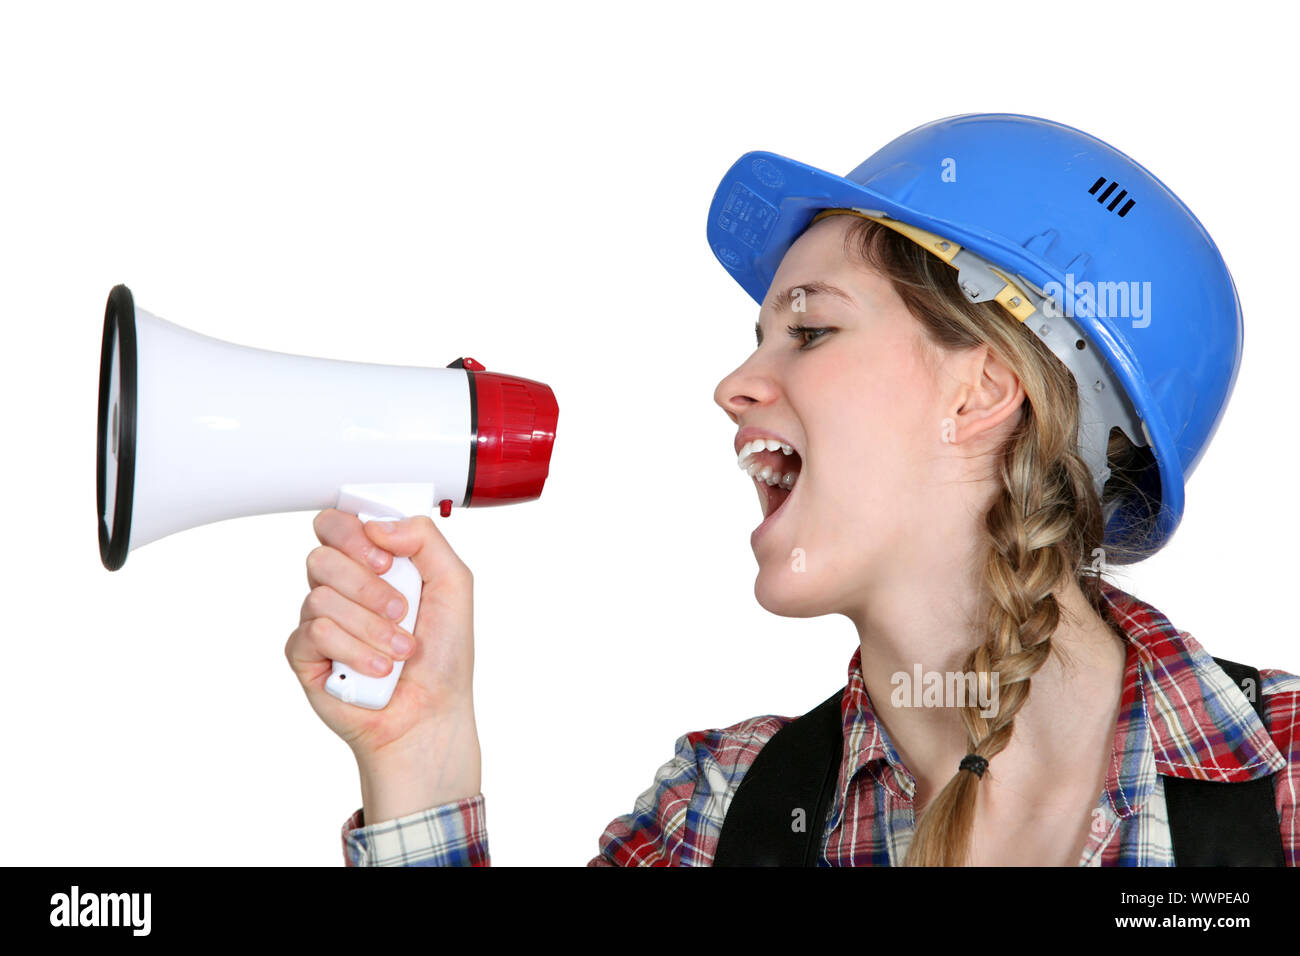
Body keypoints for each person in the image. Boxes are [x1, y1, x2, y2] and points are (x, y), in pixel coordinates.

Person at [284, 114, 1299, 866]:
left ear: (982, 389)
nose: (732, 386)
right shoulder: (720, 814)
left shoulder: (1286, 783)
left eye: (809, 329)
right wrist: (421, 759)